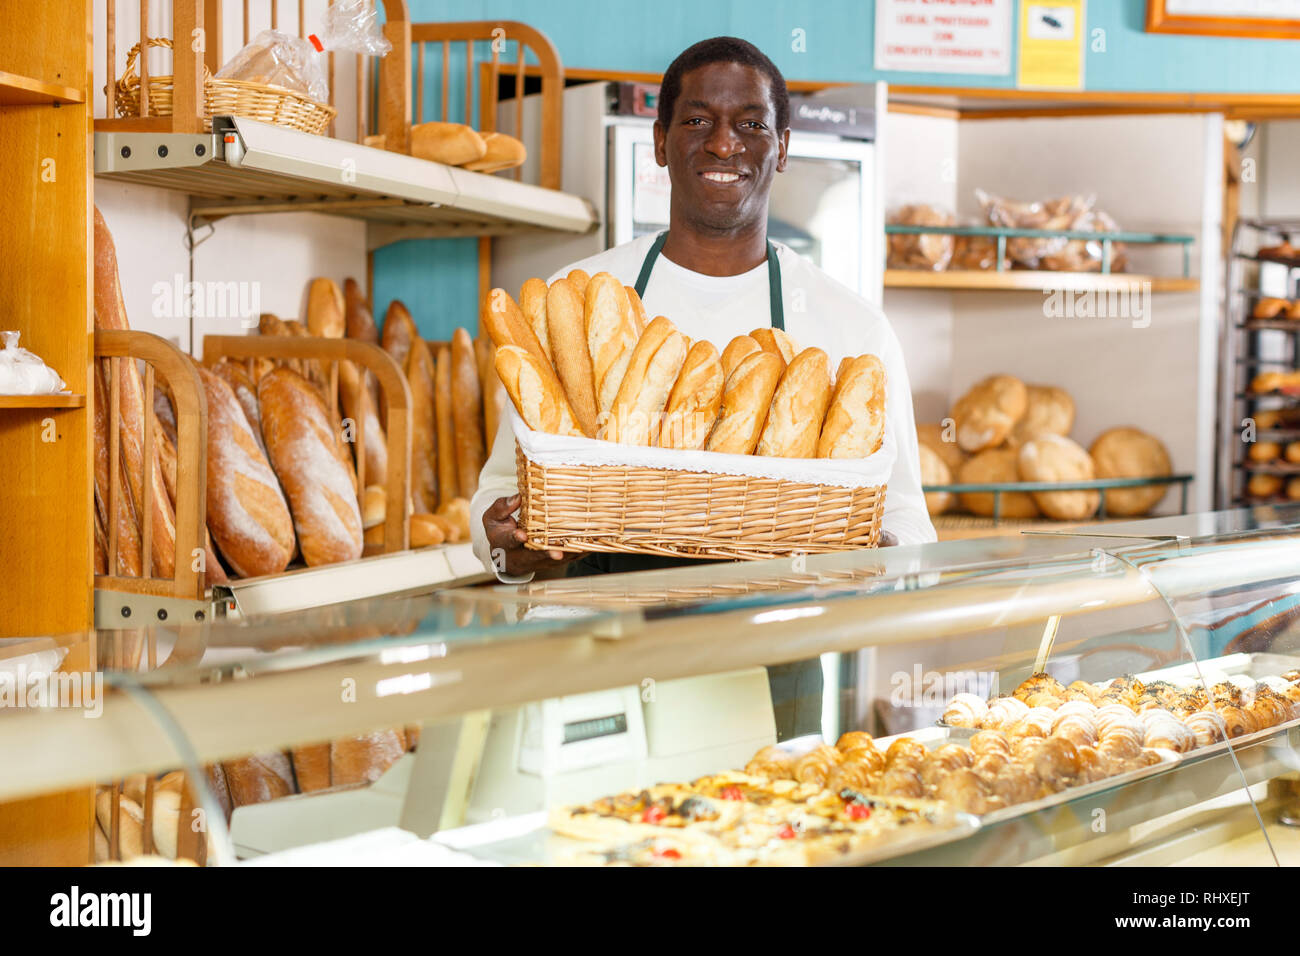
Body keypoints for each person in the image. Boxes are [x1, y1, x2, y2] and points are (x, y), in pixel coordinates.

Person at [470, 37, 937, 735]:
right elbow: (497, 497)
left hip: (775, 658)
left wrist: (872, 554)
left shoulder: (851, 329)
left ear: (782, 147)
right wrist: (508, 540)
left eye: (751, 123)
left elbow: (910, 529)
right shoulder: (584, 293)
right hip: (598, 649)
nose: (724, 144)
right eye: (696, 121)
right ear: (660, 142)